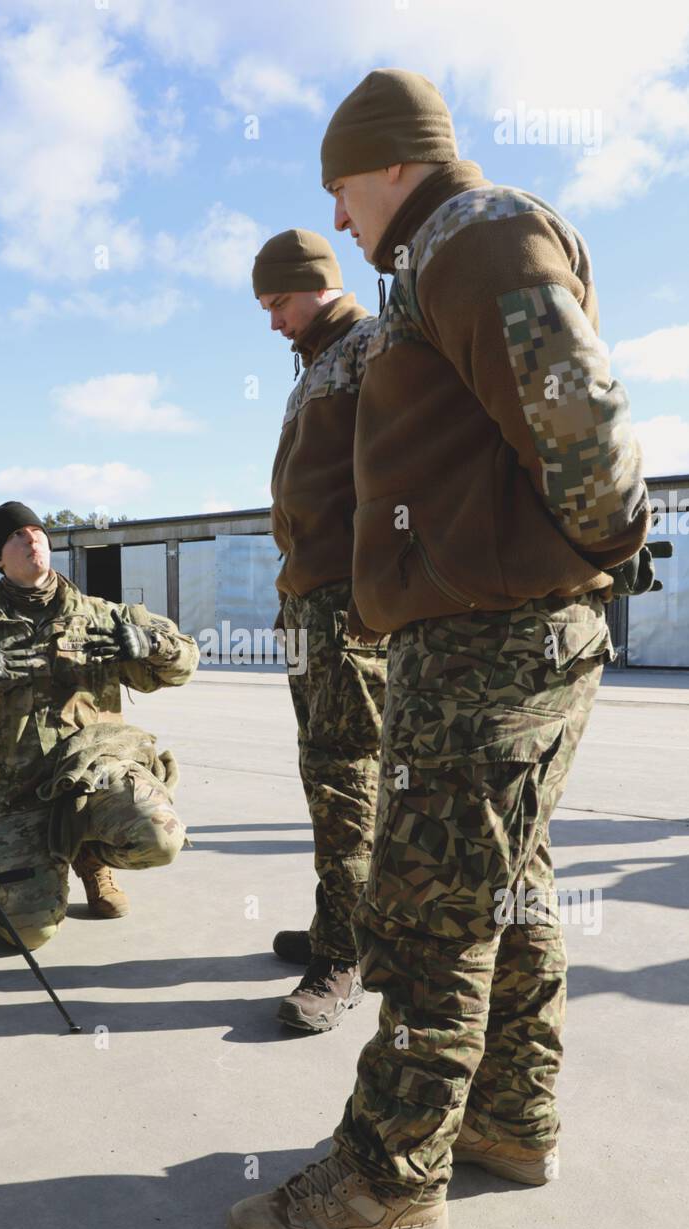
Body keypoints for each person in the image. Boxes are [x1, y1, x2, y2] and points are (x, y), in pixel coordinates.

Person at [230, 70, 652, 1229]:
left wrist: (587, 555)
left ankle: (386, 1178)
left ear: (388, 162)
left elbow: (581, 426)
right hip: (482, 633)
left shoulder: (478, 236)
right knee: (507, 894)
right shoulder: (432, 261)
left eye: (340, 189)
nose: (340, 214)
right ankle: (510, 1119)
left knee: (424, 916)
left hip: (496, 642)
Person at [0, 501, 198, 1008]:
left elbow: (185, 661)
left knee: (161, 840)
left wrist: (148, 644)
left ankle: (89, 855)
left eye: (36, 530)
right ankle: (13, 869)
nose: (31, 539)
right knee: (29, 934)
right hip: (16, 799)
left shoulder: (104, 615)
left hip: (95, 777)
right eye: (16, 536)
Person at [253, 229, 386, 1032]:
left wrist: (366, 594)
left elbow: (404, 477)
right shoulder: (315, 364)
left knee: (346, 780)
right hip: (311, 603)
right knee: (322, 772)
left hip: (349, 608)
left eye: (277, 303)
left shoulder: (371, 346)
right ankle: (337, 917)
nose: (271, 321)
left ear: (317, 284)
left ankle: (343, 955)